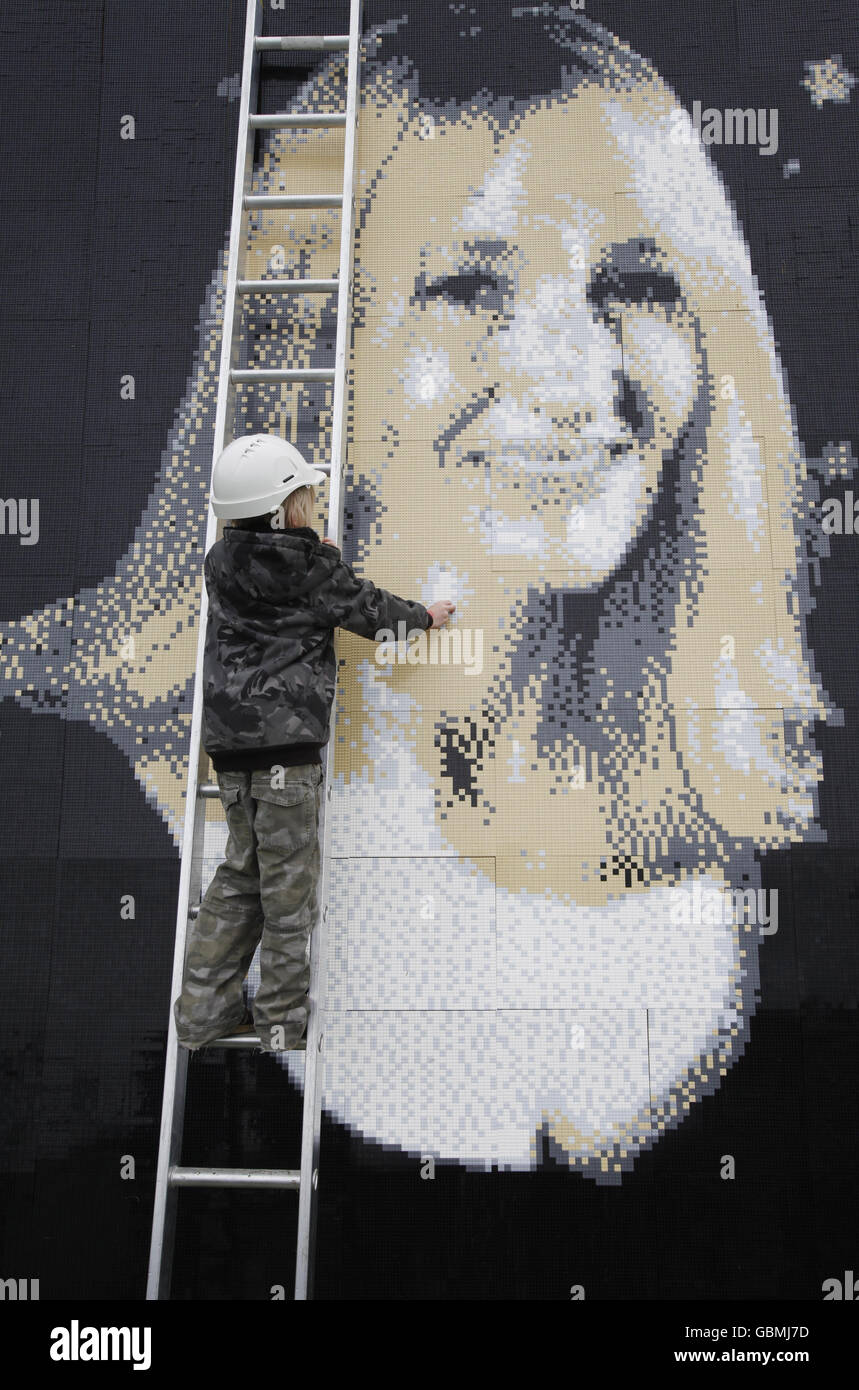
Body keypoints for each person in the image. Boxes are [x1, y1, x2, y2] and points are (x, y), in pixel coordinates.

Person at [173, 432, 455, 1051]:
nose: (310, 505)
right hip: (286, 756)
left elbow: (271, 573)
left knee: (238, 875)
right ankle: (278, 1022)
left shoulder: (219, 562)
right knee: (287, 895)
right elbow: (371, 612)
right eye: (303, 496)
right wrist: (426, 618)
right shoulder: (312, 567)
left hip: (232, 750)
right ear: (282, 508)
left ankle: (201, 1014)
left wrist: (311, 555)